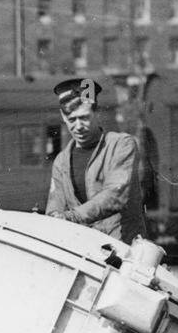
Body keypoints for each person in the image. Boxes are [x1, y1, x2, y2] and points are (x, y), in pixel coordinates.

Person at [45, 77, 146, 243]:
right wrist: (54, 217)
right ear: (63, 117)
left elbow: (114, 195)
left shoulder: (122, 145)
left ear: (96, 113)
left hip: (124, 250)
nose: (78, 126)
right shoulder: (61, 161)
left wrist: (71, 217)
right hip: (87, 251)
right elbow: (55, 206)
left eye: (84, 117)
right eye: (71, 120)